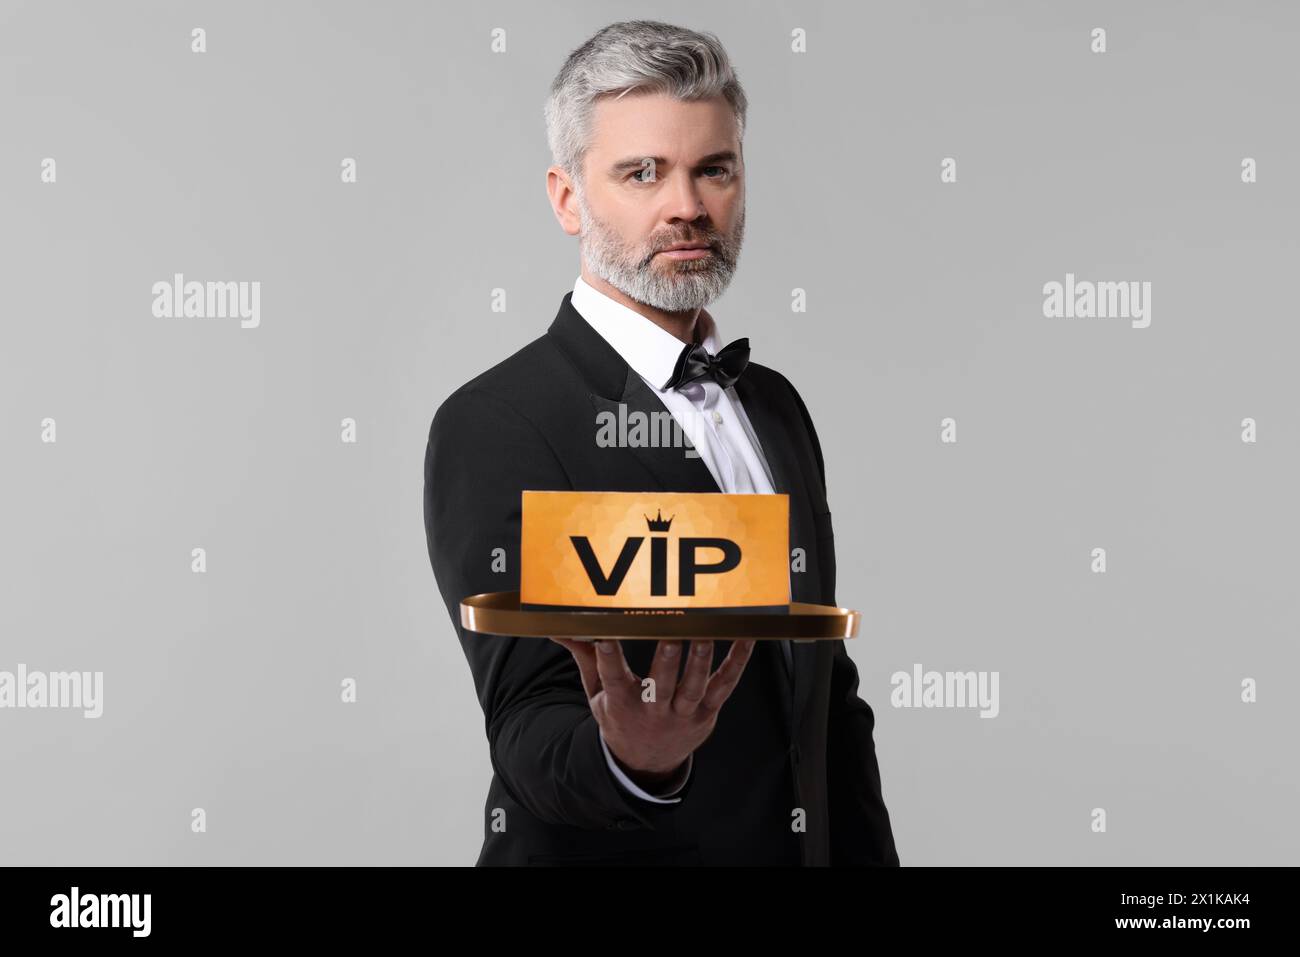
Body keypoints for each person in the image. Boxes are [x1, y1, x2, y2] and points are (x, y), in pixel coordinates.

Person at [424, 20, 898, 866]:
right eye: (642, 172)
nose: (686, 204)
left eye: (713, 168)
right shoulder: (495, 423)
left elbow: (825, 704)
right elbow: (527, 720)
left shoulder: (777, 410)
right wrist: (633, 756)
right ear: (567, 198)